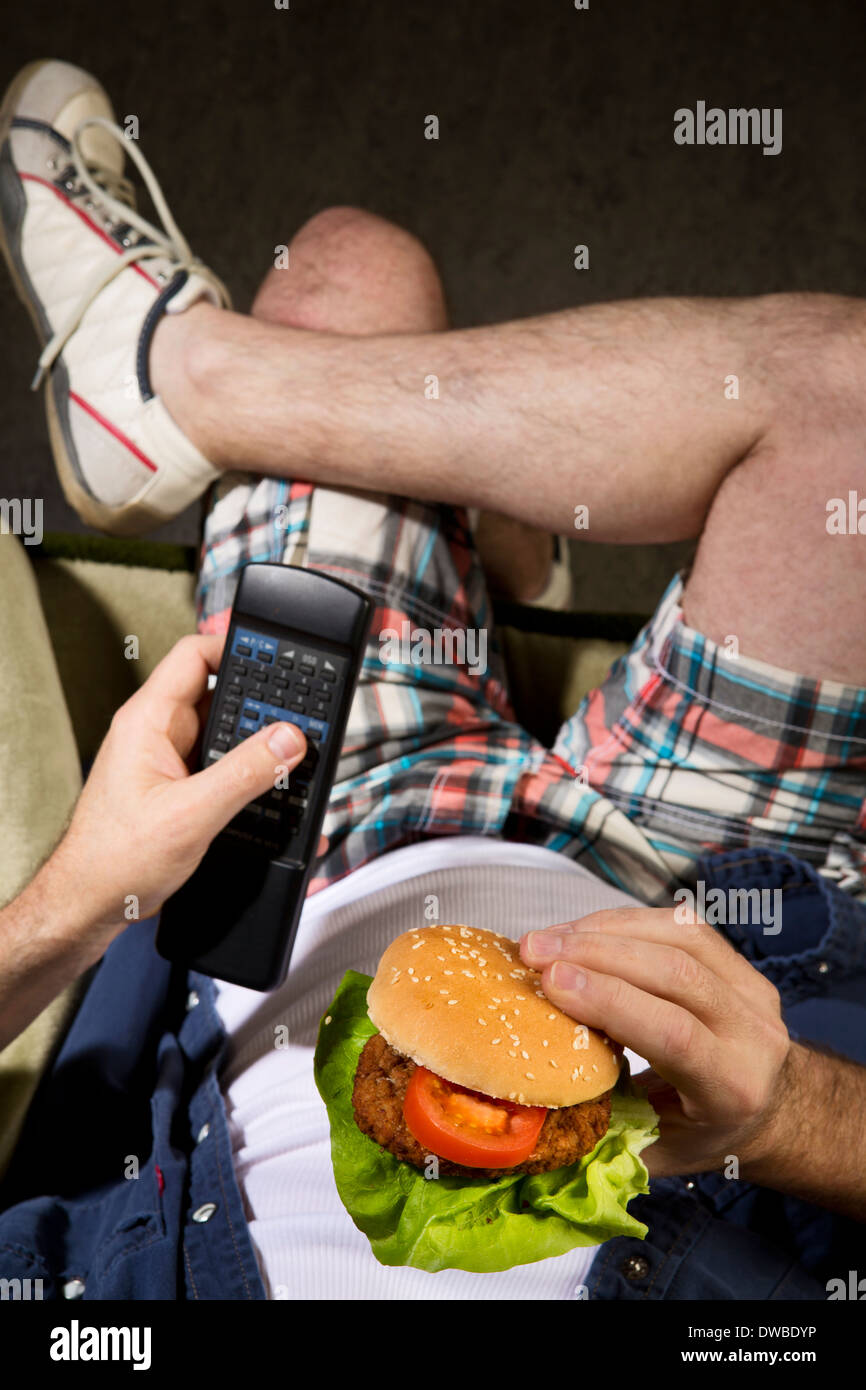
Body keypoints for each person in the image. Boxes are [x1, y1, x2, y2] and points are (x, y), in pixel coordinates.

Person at [0, 60, 864, 1301]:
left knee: (350, 269)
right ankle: (264, 415)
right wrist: (786, 1109)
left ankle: (205, 387)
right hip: (706, 919)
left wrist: (77, 901)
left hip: (317, 860)